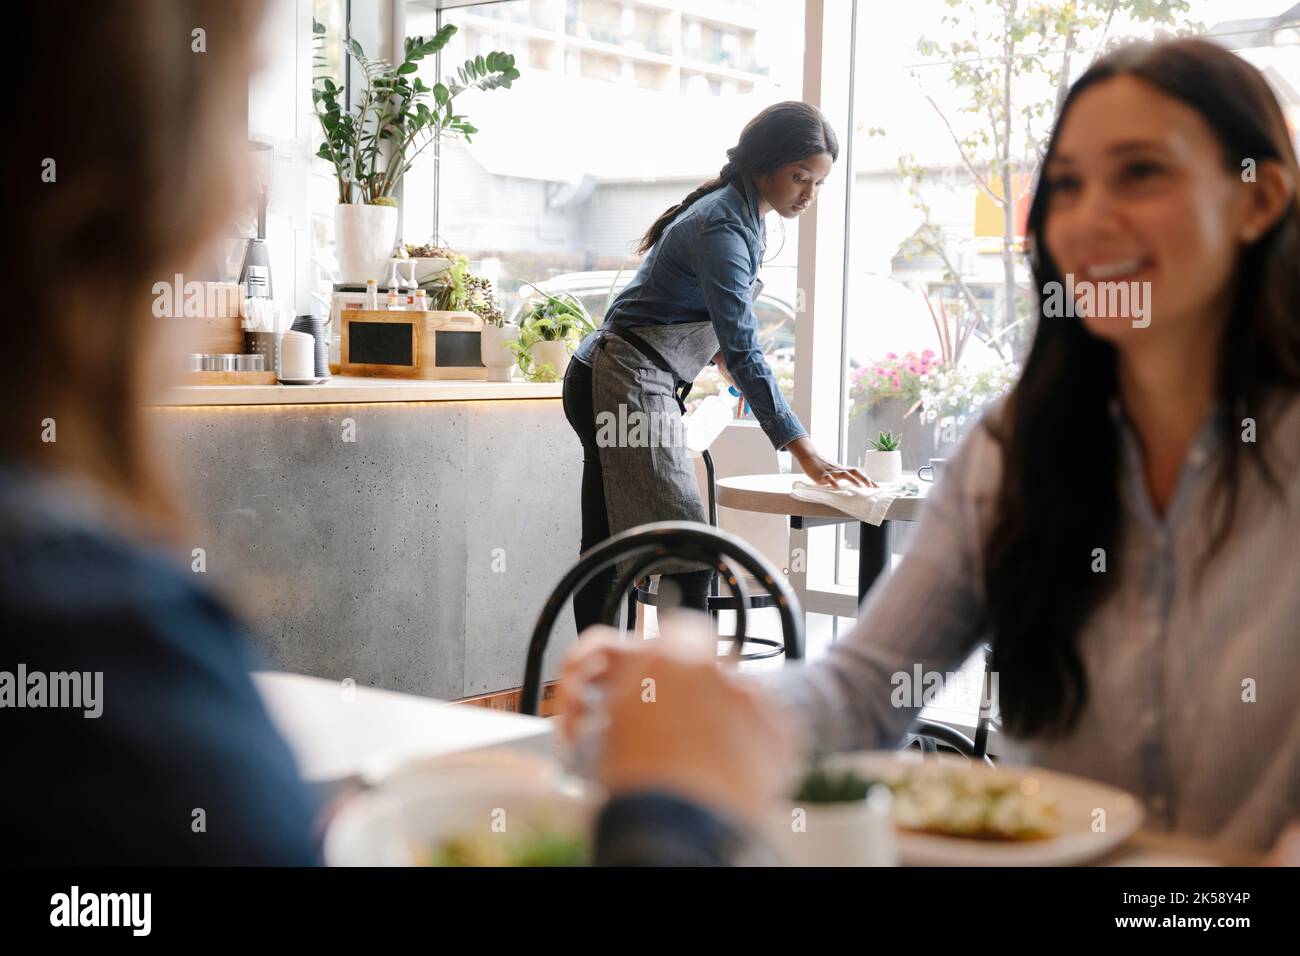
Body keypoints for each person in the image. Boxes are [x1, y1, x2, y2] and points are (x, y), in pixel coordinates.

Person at [0, 0, 791, 867]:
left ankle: (596, 705)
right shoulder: (105, 629)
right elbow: (744, 341)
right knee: (665, 549)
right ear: (128, 188)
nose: (241, 190)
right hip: (626, 383)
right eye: (233, 116)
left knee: (620, 549)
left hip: (622, 384)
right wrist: (670, 805)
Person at [564, 37, 1300, 859]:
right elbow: (861, 694)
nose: (1089, 217)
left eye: (1139, 173)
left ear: (1259, 198)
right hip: (628, 377)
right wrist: (712, 713)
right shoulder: (1014, 452)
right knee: (645, 546)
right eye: (1066, 184)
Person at [562, 102, 871, 633]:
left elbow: (723, 345)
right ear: (765, 164)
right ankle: (678, 698)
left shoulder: (744, 218)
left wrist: (737, 379)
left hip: (611, 377)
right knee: (690, 550)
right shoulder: (722, 225)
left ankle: (604, 697)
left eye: (817, 183)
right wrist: (808, 453)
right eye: (800, 177)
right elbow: (745, 349)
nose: (808, 194)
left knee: (608, 547)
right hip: (622, 381)